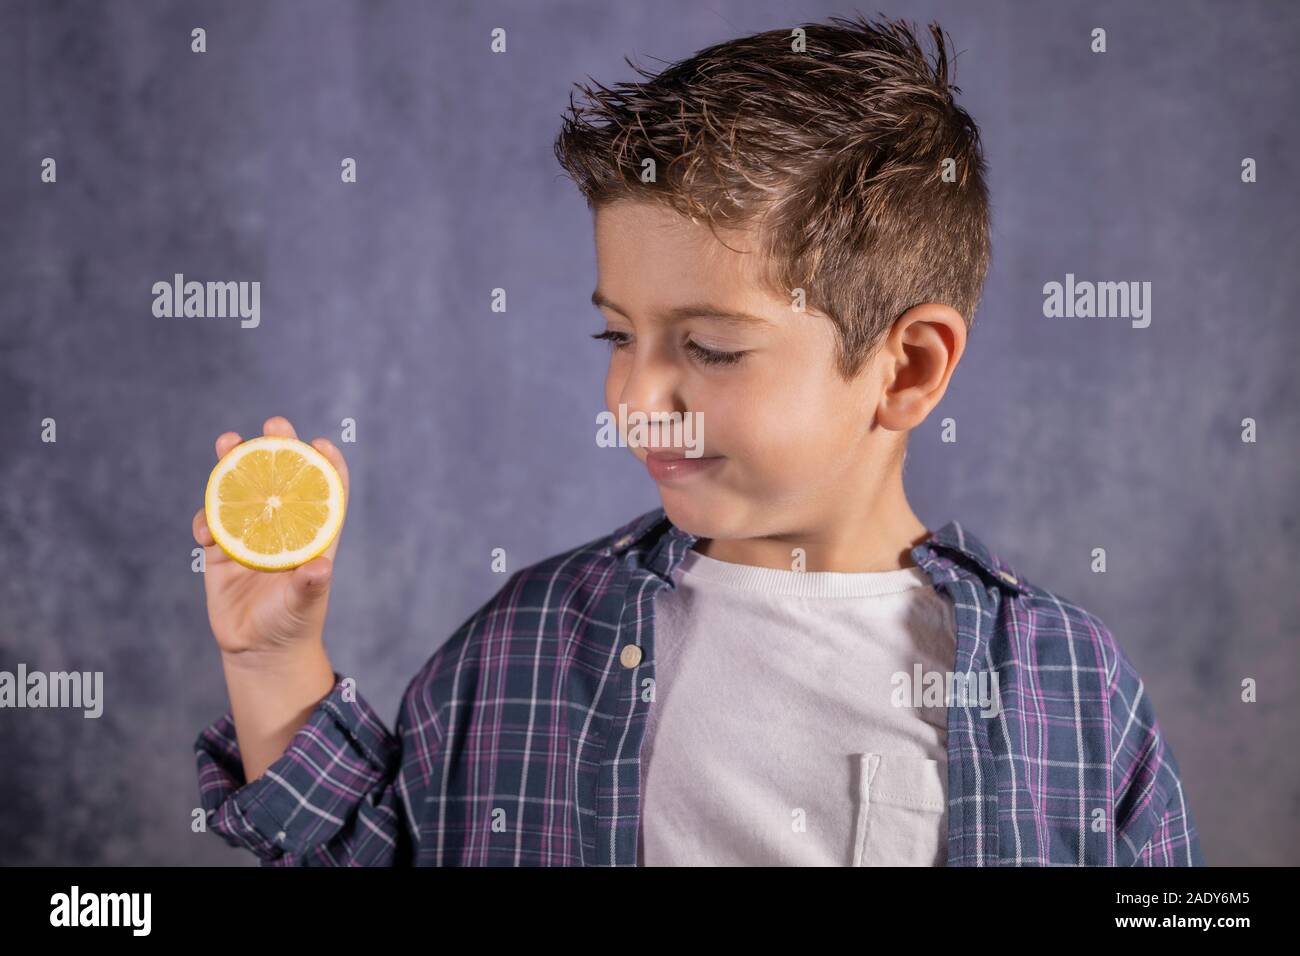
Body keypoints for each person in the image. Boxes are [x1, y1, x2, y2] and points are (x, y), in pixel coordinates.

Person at [192, 14, 1203, 866]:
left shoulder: (1066, 683)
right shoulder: (528, 643)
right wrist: (274, 656)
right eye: (617, 333)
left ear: (907, 369)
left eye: (711, 347)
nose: (635, 393)